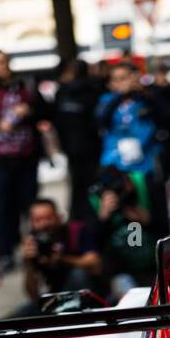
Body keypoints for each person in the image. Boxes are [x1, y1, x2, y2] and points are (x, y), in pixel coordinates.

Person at [0, 50, 47, 272]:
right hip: (0, 159)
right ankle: (6, 252)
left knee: (30, 205)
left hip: (26, 156)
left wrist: (29, 111)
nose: (3, 66)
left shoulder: (24, 86)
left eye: (5, 62)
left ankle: (37, 247)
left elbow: (44, 111)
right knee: (4, 208)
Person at [89, 166, 166, 298]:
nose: (122, 193)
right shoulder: (95, 200)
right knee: (134, 298)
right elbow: (93, 246)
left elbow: (169, 227)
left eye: (123, 186)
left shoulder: (147, 185)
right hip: (122, 271)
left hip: (157, 265)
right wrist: (103, 218)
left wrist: (149, 220)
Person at [21, 198, 103, 309]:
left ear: (59, 217)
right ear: (31, 223)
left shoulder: (76, 231)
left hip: (87, 297)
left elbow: (95, 263)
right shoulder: (34, 243)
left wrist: (63, 259)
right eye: (38, 220)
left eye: (48, 218)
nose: (44, 224)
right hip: (56, 300)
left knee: (78, 275)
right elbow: (33, 296)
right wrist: (28, 264)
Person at [52, 59, 101, 221]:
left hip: (73, 146)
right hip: (90, 146)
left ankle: (78, 221)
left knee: (77, 187)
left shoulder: (62, 91)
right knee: (91, 186)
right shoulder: (93, 90)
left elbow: (57, 121)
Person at [96, 61, 160, 177]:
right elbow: (101, 119)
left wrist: (142, 91)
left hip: (144, 162)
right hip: (115, 160)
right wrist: (121, 95)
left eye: (124, 78)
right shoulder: (107, 100)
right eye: (116, 79)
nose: (121, 83)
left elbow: (161, 115)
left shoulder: (143, 99)